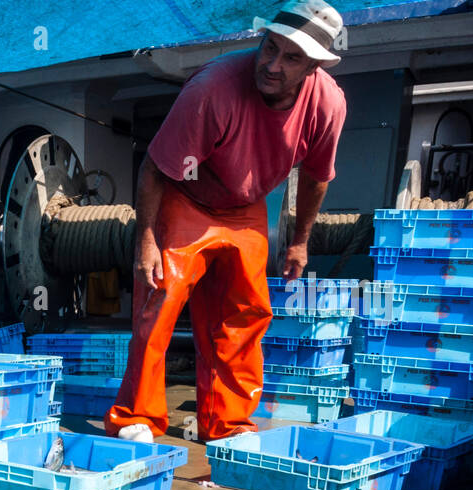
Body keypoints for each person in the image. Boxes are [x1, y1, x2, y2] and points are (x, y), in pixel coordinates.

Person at [105, 0, 347, 444]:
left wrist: (299, 242)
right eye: (268, 48)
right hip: (187, 195)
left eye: (291, 58)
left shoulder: (328, 104)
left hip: (247, 205)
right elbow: (157, 169)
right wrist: (145, 243)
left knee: (245, 312)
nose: (272, 65)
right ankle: (136, 417)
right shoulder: (212, 88)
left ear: (313, 65)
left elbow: (316, 176)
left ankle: (226, 423)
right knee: (159, 300)